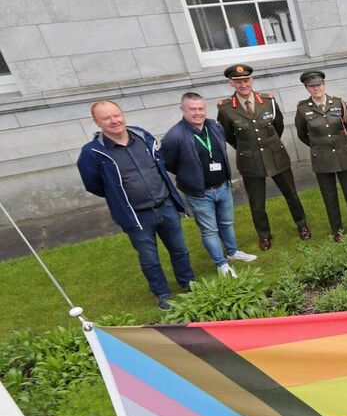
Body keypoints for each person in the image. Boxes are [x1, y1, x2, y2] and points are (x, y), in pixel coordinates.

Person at [78, 100, 195, 310]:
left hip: (165, 205)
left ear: (122, 114)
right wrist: (118, 196)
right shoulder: (92, 152)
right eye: (106, 118)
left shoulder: (142, 136)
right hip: (137, 216)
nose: (114, 121)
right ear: (97, 122)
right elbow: (94, 185)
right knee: (150, 259)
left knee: (180, 250)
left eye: (116, 115)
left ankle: (188, 283)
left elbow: (159, 165)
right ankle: (162, 294)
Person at [161, 92, 256, 279]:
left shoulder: (214, 126)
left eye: (201, 108)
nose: (198, 113)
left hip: (222, 186)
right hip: (200, 193)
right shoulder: (174, 136)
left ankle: (232, 252)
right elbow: (168, 163)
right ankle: (221, 264)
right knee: (210, 229)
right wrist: (189, 176)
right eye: (193, 109)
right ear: (183, 110)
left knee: (227, 223)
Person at [216, 63, 310, 251]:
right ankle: (264, 235)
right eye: (238, 82)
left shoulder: (267, 101)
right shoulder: (226, 108)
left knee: (291, 194)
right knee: (257, 204)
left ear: (252, 80)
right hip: (250, 161)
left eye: (246, 80)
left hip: (276, 156)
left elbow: (278, 126)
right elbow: (227, 135)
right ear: (231, 83)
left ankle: (302, 225)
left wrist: (270, 144)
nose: (243, 85)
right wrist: (247, 148)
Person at [294, 70, 347, 241]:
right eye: (312, 86)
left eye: (318, 85)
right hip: (322, 158)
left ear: (324, 85)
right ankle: (337, 230)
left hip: (343, 154)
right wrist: (319, 146)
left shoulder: (338, 103)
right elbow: (302, 134)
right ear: (307, 88)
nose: (316, 88)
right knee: (329, 196)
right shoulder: (303, 109)